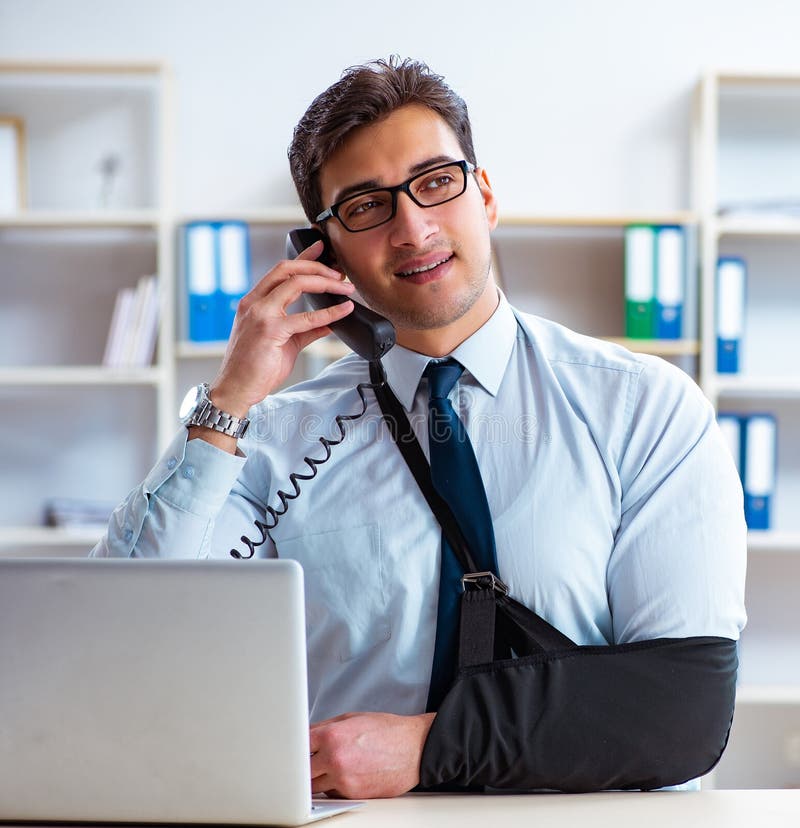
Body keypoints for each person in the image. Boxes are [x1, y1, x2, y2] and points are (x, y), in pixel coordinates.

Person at [92, 56, 747, 798]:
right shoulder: (272, 437)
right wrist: (231, 396)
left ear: (486, 195)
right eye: (367, 206)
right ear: (321, 249)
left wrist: (432, 747)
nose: (413, 226)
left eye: (437, 182)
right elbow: (124, 645)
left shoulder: (644, 408)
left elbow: (684, 709)